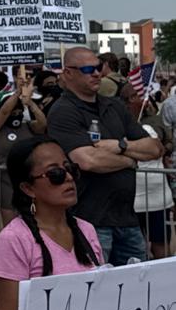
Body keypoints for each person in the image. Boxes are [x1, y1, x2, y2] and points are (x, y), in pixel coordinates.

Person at [47, 47, 163, 265]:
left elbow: (154, 147)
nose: (97, 73)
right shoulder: (63, 110)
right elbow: (87, 161)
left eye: (99, 67)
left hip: (127, 219)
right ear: (68, 73)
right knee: (95, 290)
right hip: (90, 220)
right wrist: (130, 159)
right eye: (88, 69)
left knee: (136, 289)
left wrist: (119, 145)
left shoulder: (115, 106)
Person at [0, 138, 103, 310]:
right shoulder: (15, 239)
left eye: (69, 169)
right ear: (28, 188)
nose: (69, 178)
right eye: (55, 175)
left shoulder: (87, 231)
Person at [0, 74, 48, 225]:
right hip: (7, 179)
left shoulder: (27, 126)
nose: (16, 113)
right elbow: (4, 112)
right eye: (13, 111)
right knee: (11, 224)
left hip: (28, 178)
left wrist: (30, 104)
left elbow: (42, 123)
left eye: (19, 111)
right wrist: (18, 92)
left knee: (32, 221)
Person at [125, 85, 174, 259]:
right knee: (137, 248)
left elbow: (160, 149)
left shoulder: (151, 127)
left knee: (160, 244)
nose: (142, 100)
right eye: (135, 97)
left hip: (158, 200)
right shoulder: (117, 131)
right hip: (132, 202)